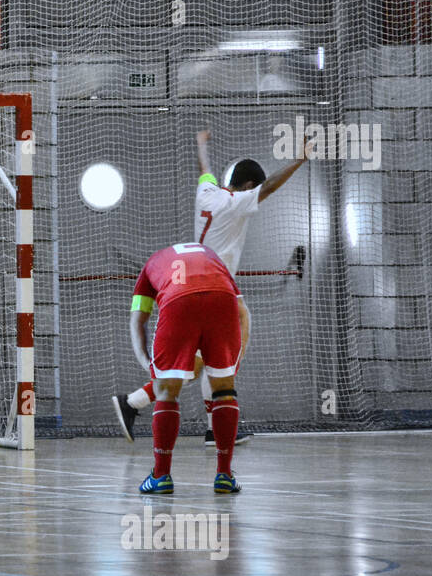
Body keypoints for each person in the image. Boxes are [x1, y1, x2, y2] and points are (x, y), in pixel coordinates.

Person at [112, 128, 310, 445]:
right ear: (247, 187)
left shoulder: (207, 193)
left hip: (197, 281)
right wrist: (300, 159)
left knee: (207, 358)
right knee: (216, 356)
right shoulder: (236, 202)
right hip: (214, 287)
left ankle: (204, 425)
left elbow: (204, 171)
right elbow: (270, 187)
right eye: (253, 189)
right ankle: (138, 402)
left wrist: (200, 146)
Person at [127, 242, 242, 494]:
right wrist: (234, 361)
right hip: (224, 299)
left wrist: (148, 364)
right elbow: (241, 309)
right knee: (224, 389)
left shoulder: (150, 265)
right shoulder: (211, 256)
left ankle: (161, 476)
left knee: (167, 391)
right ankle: (224, 475)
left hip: (178, 302)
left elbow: (138, 320)